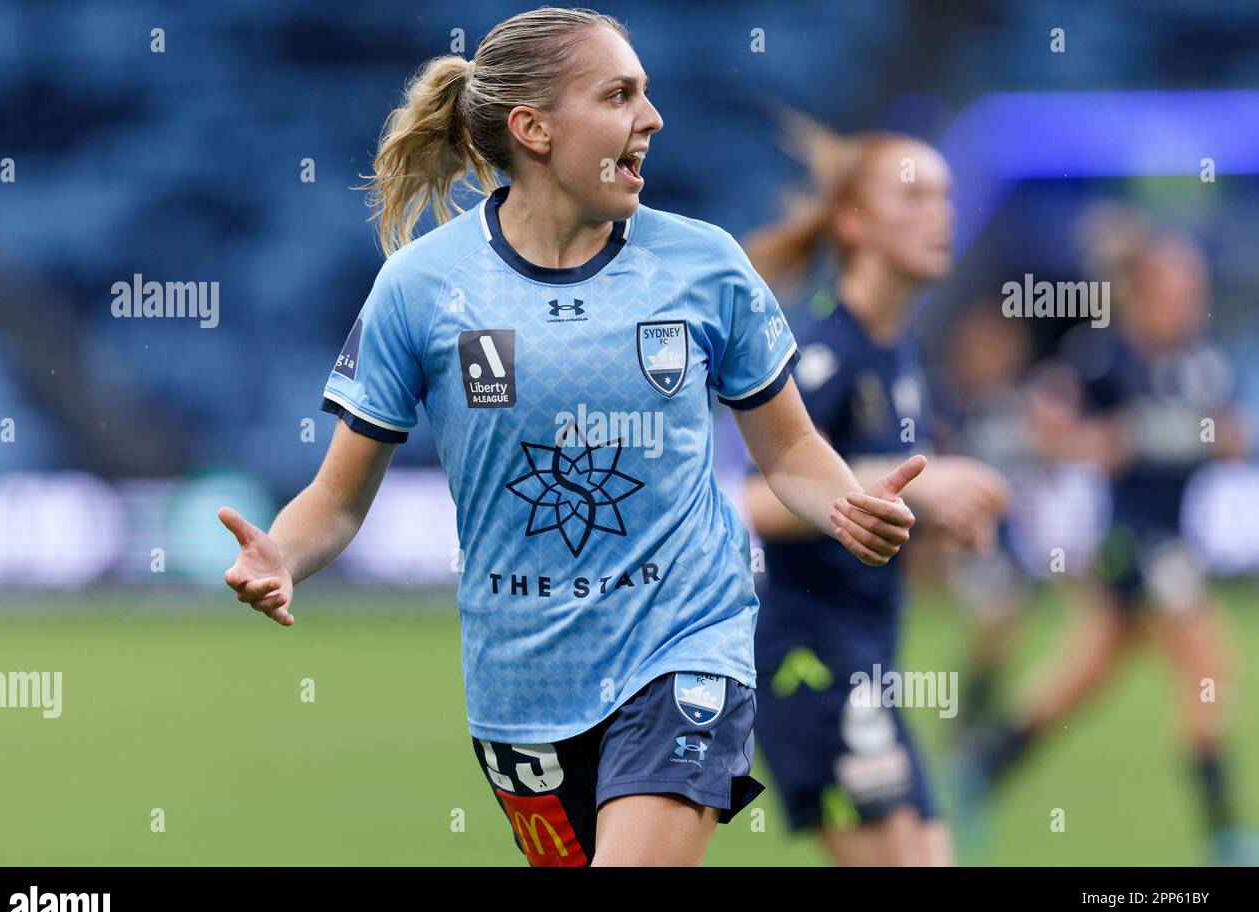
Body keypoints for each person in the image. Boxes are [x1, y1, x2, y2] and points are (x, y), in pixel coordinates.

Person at [216, 8, 924, 867]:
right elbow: (336, 496)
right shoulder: (421, 288)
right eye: (620, 95)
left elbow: (788, 449)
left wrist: (844, 499)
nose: (652, 120)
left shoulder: (704, 266)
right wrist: (282, 555)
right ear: (535, 129)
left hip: (687, 646)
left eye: (648, 94)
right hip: (521, 689)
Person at [741, 117, 1009, 866]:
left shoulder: (900, 351)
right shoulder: (825, 353)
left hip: (870, 659)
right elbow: (752, 503)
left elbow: (873, 502)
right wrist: (924, 485)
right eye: (915, 194)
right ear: (854, 222)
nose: (942, 212)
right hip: (811, 664)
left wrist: (934, 520)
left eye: (946, 195)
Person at [961, 210, 1257, 865]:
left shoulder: (1201, 364)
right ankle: (1227, 835)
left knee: (1078, 683)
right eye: (1181, 288)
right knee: (1211, 669)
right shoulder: (1106, 358)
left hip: (1169, 541)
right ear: (1148, 291)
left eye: (1197, 288)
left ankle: (979, 775)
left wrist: (1222, 442)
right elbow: (1046, 431)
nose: (1192, 300)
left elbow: (1228, 438)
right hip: (1132, 544)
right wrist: (1101, 442)